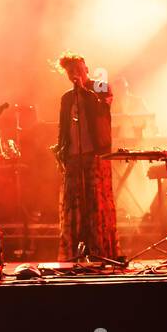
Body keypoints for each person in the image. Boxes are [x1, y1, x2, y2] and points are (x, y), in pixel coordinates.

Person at [54, 54, 119, 261]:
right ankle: (75, 253)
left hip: (95, 155)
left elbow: (102, 109)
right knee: (74, 206)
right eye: (70, 71)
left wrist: (83, 90)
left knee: (95, 205)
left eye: (78, 69)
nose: (75, 74)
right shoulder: (66, 98)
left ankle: (100, 252)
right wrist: (60, 150)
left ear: (86, 68)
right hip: (73, 156)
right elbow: (62, 127)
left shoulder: (100, 87)